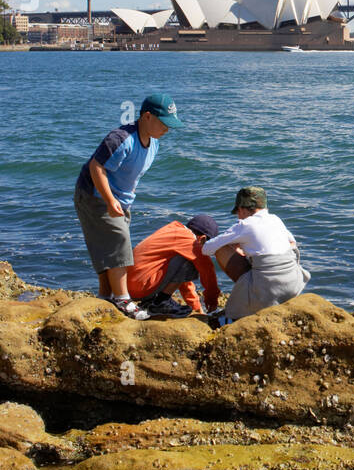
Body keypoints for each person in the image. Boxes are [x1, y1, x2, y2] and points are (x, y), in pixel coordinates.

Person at [73, 92, 184, 320]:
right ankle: (123, 300)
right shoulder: (121, 138)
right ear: (146, 117)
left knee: (109, 247)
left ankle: (106, 296)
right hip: (93, 194)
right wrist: (110, 200)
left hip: (119, 200)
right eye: (164, 123)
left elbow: (131, 174)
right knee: (118, 243)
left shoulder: (154, 144)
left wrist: (124, 198)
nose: (167, 129)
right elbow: (96, 167)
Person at [201, 186, 309, 321]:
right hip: (293, 284)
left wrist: (233, 246)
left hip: (269, 289)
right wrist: (248, 248)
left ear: (242, 209)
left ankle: (248, 299)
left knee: (220, 248)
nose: (238, 217)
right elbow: (292, 244)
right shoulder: (275, 219)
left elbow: (207, 249)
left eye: (238, 212)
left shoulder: (245, 225)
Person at [126, 214, 221, 316]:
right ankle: (161, 303)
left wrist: (197, 309)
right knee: (191, 262)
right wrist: (212, 301)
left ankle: (153, 302)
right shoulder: (192, 242)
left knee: (187, 260)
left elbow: (182, 281)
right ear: (202, 239)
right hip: (141, 288)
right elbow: (208, 270)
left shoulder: (174, 230)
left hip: (131, 287)